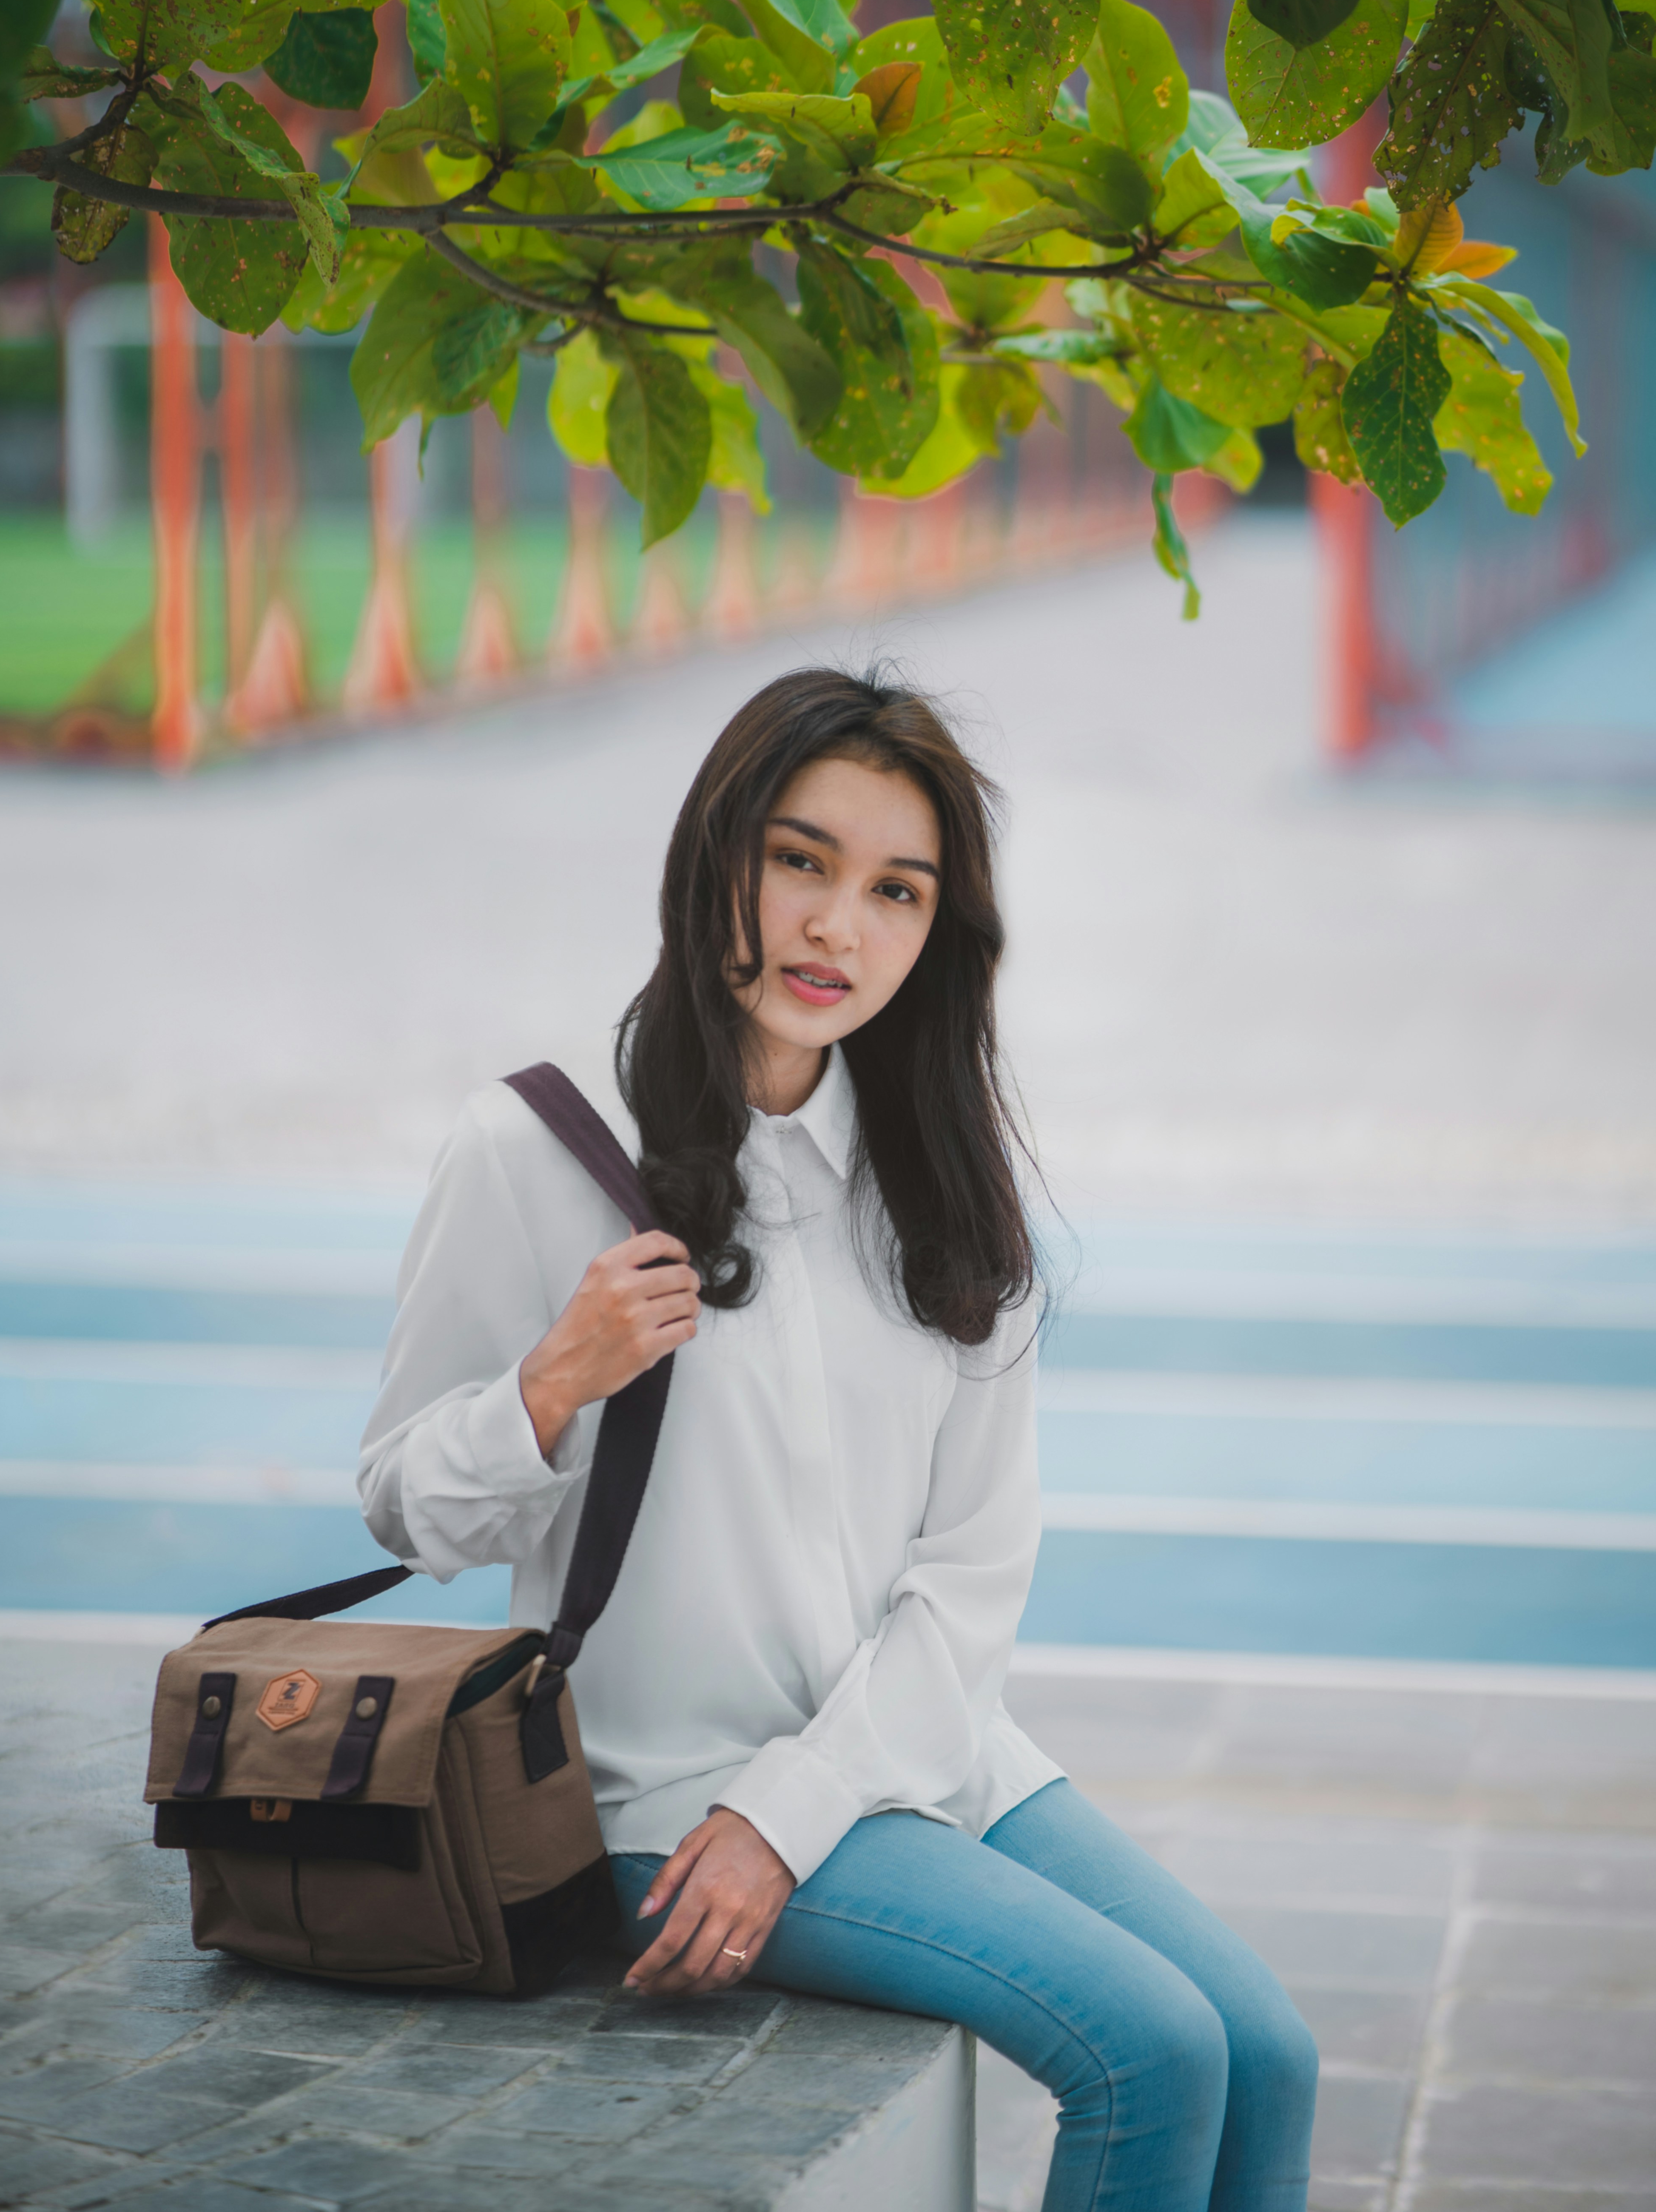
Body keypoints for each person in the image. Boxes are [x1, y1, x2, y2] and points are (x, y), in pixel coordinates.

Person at [359, 666, 1317, 2210]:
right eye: (801, 861)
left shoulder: (934, 1176)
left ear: (939, 933)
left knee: (1268, 2055)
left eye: (896, 891)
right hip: (662, 1789)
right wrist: (550, 1384)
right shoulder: (535, 1150)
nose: (836, 929)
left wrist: (798, 1814)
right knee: (1153, 2055)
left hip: (922, 1757)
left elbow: (976, 1567)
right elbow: (407, 1510)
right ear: (716, 855)